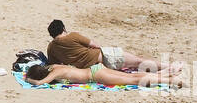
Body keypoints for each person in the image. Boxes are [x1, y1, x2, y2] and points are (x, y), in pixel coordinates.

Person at [44, 20, 174, 75]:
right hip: (103, 57)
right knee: (138, 61)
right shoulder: (72, 36)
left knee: (134, 66)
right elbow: (95, 45)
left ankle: (161, 70)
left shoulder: (51, 47)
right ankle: (167, 67)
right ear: (64, 28)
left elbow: (54, 64)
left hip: (92, 69)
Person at [24, 61, 181, 88]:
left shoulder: (54, 73)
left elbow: (40, 83)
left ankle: (170, 80)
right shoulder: (54, 67)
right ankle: (167, 77)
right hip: (95, 69)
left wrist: (29, 79)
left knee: (133, 80)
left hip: (95, 76)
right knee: (132, 76)